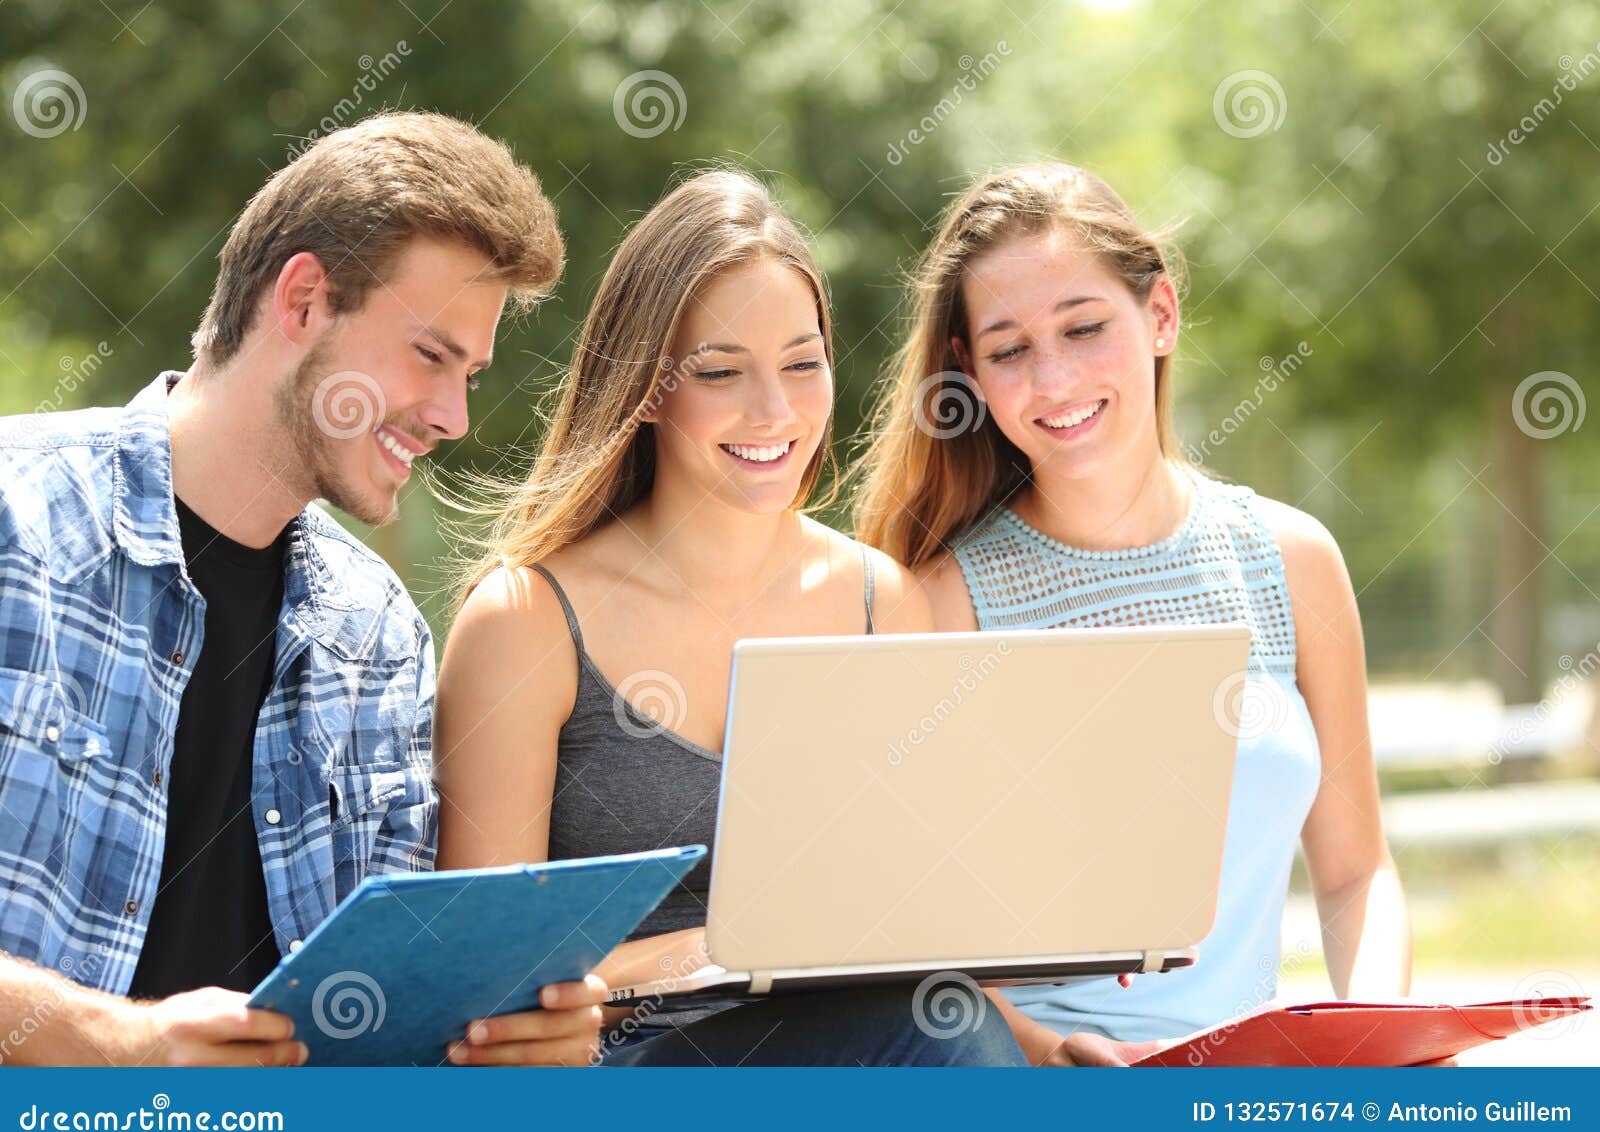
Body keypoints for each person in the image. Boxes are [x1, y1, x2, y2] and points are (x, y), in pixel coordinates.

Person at [0, 111, 607, 1066]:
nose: (451, 415)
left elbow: (384, 1037)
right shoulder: (17, 523)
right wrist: (114, 1044)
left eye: (471, 374)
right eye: (430, 355)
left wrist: (506, 1044)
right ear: (304, 300)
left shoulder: (382, 638)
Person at [432, 169, 1033, 1066]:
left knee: (962, 1040)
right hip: (615, 1074)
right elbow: (486, 989)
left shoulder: (886, 605)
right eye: (720, 371)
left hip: (863, 1056)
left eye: (802, 363)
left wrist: (1047, 1042)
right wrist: (723, 949)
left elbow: (926, 929)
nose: (774, 411)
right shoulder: (526, 619)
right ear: (647, 388)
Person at [852, 162, 1414, 1063]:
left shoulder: (1293, 560)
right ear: (970, 372)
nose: (1055, 377)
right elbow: (915, 948)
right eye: (1009, 349)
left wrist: (1385, 1037)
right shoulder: (936, 604)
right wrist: (1049, 1054)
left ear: (1160, 314)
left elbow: (1356, 873)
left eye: (1084, 327)